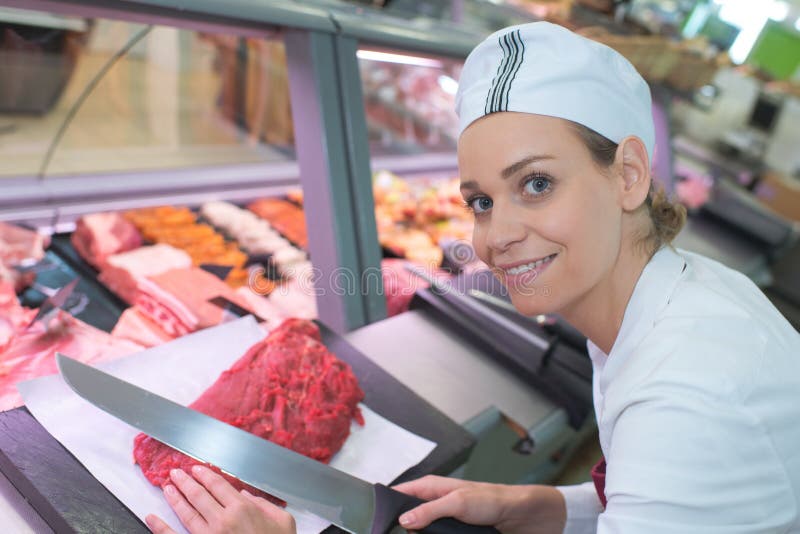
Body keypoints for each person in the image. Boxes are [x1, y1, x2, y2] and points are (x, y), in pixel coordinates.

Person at [145, 21, 800, 534]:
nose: (495, 237)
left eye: (536, 184)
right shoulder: (670, 301)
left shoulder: (687, 395)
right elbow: (665, 503)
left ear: (628, 175)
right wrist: (538, 509)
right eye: (481, 201)